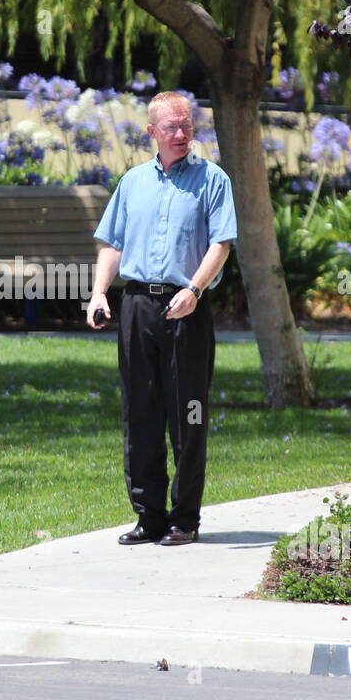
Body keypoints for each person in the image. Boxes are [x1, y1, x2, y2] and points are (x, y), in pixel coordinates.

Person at [86, 90, 237, 546]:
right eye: (171, 127)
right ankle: (148, 515)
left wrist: (194, 289)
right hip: (136, 306)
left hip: (187, 306)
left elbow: (221, 244)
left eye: (187, 125)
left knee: (187, 413)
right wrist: (97, 293)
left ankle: (184, 519)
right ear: (152, 132)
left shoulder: (213, 180)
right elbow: (111, 244)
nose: (181, 134)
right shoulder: (132, 182)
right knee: (140, 411)